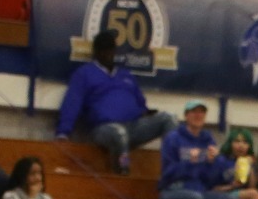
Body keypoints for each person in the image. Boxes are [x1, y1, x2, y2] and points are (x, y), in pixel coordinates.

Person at [55, 31, 172, 174]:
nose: (108, 53)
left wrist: (146, 112)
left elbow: (140, 103)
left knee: (169, 119)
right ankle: (123, 171)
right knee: (119, 133)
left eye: (110, 49)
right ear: (96, 52)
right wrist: (63, 132)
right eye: (103, 50)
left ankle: (172, 170)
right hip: (104, 129)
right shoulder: (84, 74)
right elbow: (72, 103)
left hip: (134, 126)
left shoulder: (126, 75)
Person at [158, 102, 237, 199]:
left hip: (200, 191)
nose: (198, 115)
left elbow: (211, 179)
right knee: (195, 198)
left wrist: (215, 162)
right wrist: (189, 163)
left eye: (202, 112)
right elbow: (167, 173)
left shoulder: (208, 140)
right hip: (172, 190)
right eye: (194, 112)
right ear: (186, 115)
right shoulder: (173, 138)